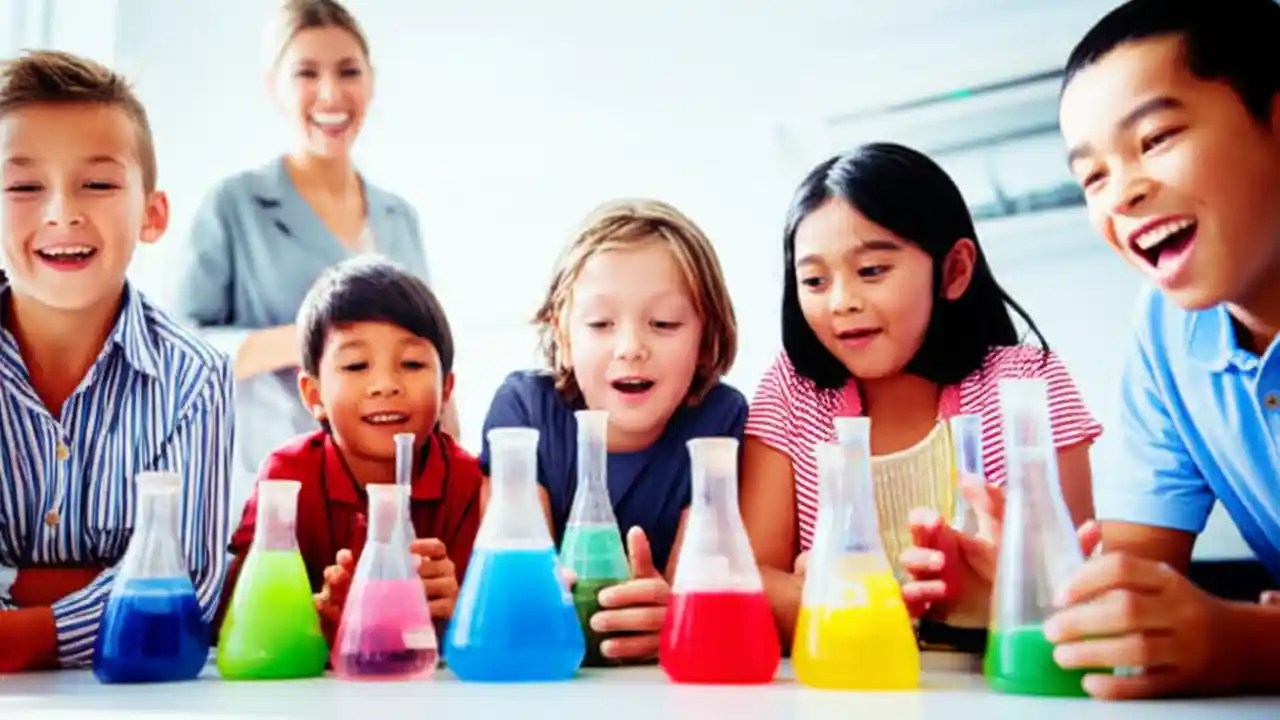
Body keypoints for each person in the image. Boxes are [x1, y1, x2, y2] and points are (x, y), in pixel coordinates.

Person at [906, 0, 1280, 699]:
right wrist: (1032, 591)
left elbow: (1230, 639)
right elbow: (1137, 584)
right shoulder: (1168, 332)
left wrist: (1248, 644)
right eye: (1093, 177)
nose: (1123, 192)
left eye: (1156, 138)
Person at [740, 143, 1102, 648]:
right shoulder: (792, 392)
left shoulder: (1028, 386)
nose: (842, 301)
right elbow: (746, 579)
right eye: (815, 280)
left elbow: (1073, 588)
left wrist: (993, 596)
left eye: (872, 271)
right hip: (841, 680)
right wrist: (890, 612)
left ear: (954, 270)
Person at [174, 0, 456, 515]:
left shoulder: (399, 217)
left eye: (348, 71)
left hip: (389, 488)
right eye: (307, 73)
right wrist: (307, 339)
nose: (331, 93)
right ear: (274, 87)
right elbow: (182, 350)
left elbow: (432, 355)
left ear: (371, 80)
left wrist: (457, 483)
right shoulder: (236, 205)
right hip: (273, 484)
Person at [0, 51, 232, 671]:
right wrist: (111, 583)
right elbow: (152, 589)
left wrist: (23, 633)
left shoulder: (195, 379)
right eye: (24, 187)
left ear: (152, 216)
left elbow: (189, 587)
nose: (61, 211)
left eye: (98, 184)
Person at [479, 198, 746, 661]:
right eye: (601, 323)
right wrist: (534, 598)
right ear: (563, 336)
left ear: (706, 340)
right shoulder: (524, 411)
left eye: (664, 323)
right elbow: (517, 587)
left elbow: (692, 602)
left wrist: (673, 617)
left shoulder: (718, 421)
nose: (631, 347)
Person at [218, 257, 481, 644]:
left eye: (412, 364)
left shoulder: (469, 483)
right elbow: (233, 620)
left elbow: (497, 625)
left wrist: (461, 610)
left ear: (446, 390)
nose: (385, 384)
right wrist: (322, 618)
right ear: (313, 395)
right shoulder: (288, 479)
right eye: (356, 365)